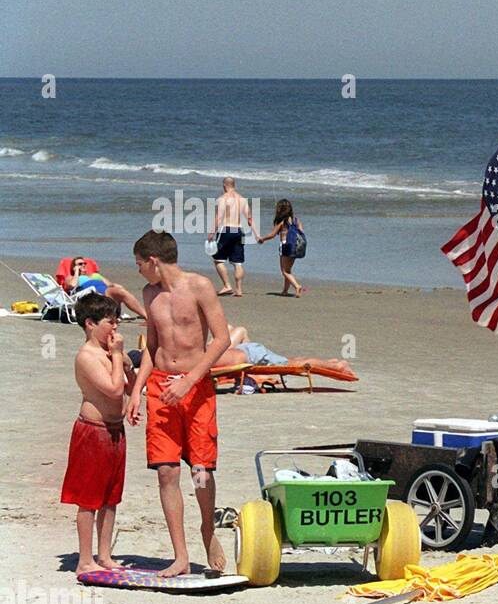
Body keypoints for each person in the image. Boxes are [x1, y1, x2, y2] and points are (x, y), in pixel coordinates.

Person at [126, 230, 231, 577]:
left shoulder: (199, 286)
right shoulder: (149, 293)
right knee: (167, 471)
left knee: (200, 470)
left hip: (196, 387)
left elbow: (221, 339)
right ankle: (180, 555)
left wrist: (190, 380)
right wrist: (137, 391)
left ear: (153, 261)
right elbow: (151, 349)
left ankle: (207, 529)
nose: (138, 270)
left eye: (140, 264)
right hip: (160, 388)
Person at [61, 293, 133, 574]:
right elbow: (113, 389)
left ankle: (104, 555)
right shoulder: (87, 356)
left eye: (117, 322)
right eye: (110, 323)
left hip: (115, 430)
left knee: (111, 497)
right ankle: (84, 559)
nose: (115, 329)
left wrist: (126, 364)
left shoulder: (110, 354)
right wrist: (117, 356)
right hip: (92, 431)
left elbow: (127, 387)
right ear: (91, 324)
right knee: (88, 499)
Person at [215, 325, 352, 373]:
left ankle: (338, 367)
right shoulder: (200, 354)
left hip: (253, 355)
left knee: (294, 364)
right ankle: (329, 362)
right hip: (246, 351)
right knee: (287, 360)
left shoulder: (199, 359)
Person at [207, 176, 258, 298]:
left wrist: (211, 232)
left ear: (224, 185)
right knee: (237, 262)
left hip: (226, 229)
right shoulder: (243, 200)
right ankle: (239, 289)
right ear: (234, 185)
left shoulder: (222, 199)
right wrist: (257, 234)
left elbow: (219, 218)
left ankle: (227, 285)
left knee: (218, 259)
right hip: (239, 230)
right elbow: (250, 219)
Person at [64, 256, 148, 319]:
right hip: (94, 295)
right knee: (121, 293)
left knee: (121, 290)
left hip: (105, 291)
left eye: (84, 263)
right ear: (73, 267)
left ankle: (145, 315)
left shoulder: (95, 275)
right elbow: (72, 285)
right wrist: (76, 272)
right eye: (79, 264)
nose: (83, 265)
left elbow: (110, 284)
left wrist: (118, 286)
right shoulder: (71, 277)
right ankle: (146, 316)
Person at [258, 199, 306, 297]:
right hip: (296, 246)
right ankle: (285, 291)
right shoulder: (297, 220)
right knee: (288, 270)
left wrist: (262, 239)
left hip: (285, 246)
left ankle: (297, 286)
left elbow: (272, 235)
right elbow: (301, 232)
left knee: (284, 271)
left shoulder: (281, 221)